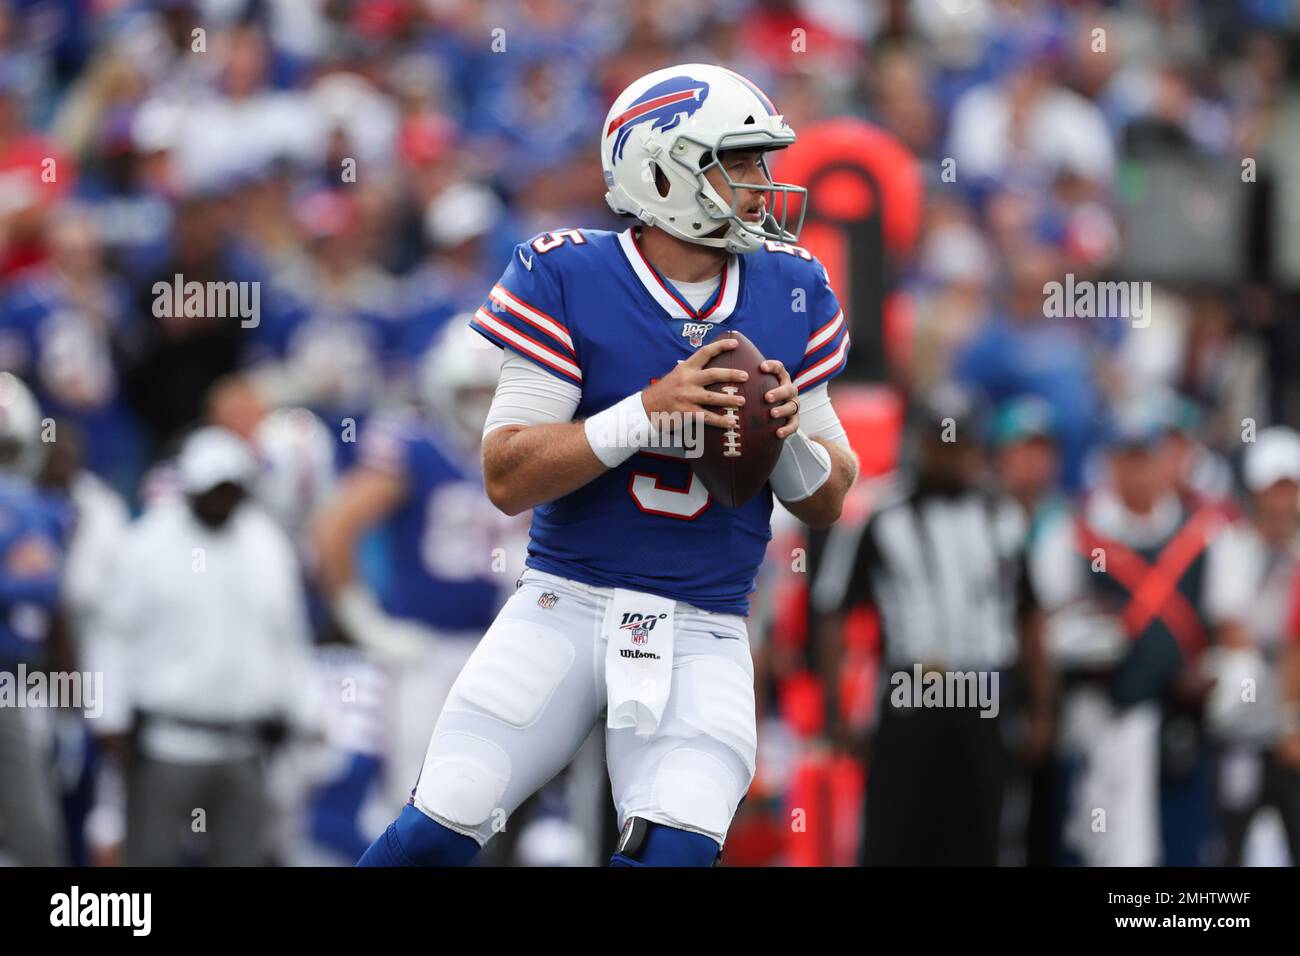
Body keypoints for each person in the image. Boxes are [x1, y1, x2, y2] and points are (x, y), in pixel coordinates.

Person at [358, 63, 858, 868]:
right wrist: (643, 413)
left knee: (678, 854)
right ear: (662, 169)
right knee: (437, 831)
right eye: (738, 162)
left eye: (763, 162)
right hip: (566, 605)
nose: (763, 185)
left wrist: (787, 437)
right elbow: (508, 473)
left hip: (705, 623)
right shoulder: (570, 273)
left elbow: (829, 497)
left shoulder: (791, 287)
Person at [811, 384, 1051, 866]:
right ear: (918, 444)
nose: (949, 457)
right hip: (912, 691)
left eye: (959, 444)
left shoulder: (1002, 516)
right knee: (895, 836)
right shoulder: (880, 513)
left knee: (978, 838)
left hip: (982, 694)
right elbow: (833, 609)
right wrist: (835, 711)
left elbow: (1029, 614)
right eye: (939, 444)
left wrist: (1042, 707)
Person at [92, 426, 313, 866]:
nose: (222, 501)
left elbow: (287, 635)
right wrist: (108, 717)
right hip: (167, 746)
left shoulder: (264, 544)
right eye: (213, 490)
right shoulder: (148, 544)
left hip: (245, 746)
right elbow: (113, 634)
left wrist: (299, 708)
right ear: (189, 488)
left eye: (232, 491)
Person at [1202, 426, 1300, 864]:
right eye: (1272, 490)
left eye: (1289, 490)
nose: (1281, 503)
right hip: (1243, 728)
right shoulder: (1230, 547)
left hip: (1292, 729)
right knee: (1233, 839)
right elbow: (1231, 629)